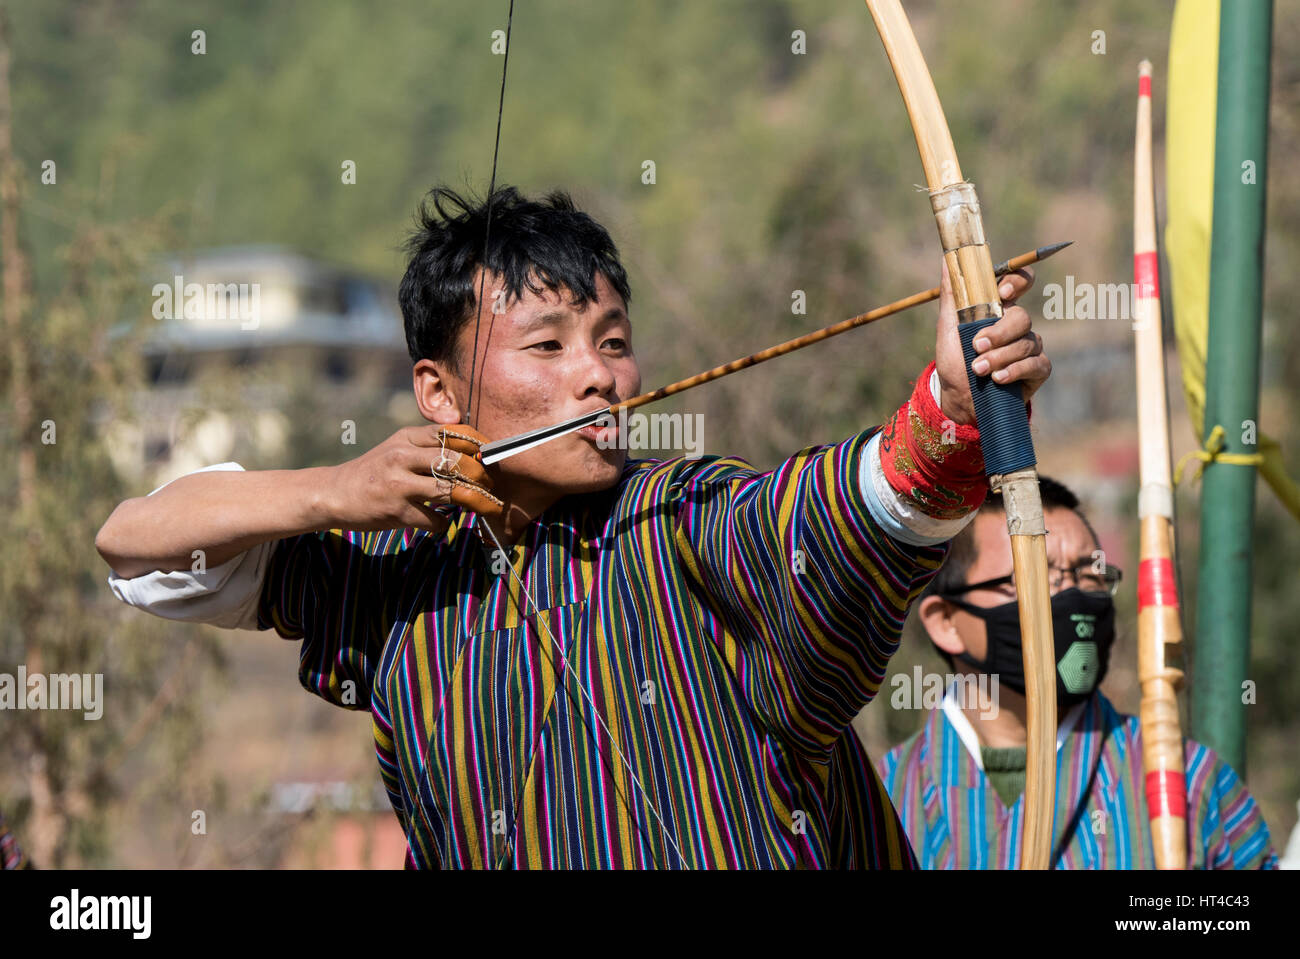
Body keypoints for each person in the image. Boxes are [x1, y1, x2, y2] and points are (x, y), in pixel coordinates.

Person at [97, 186, 1050, 868]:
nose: (600, 376)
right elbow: (137, 541)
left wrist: (954, 412)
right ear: (438, 391)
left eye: (614, 342)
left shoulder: (689, 517)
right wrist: (337, 490)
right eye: (547, 345)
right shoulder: (391, 564)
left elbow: (855, 507)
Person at [878, 476, 1278, 869]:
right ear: (946, 621)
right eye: (1037, 577)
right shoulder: (883, 796)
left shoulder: (1185, 780)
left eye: (1090, 575)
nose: (1072, 598)